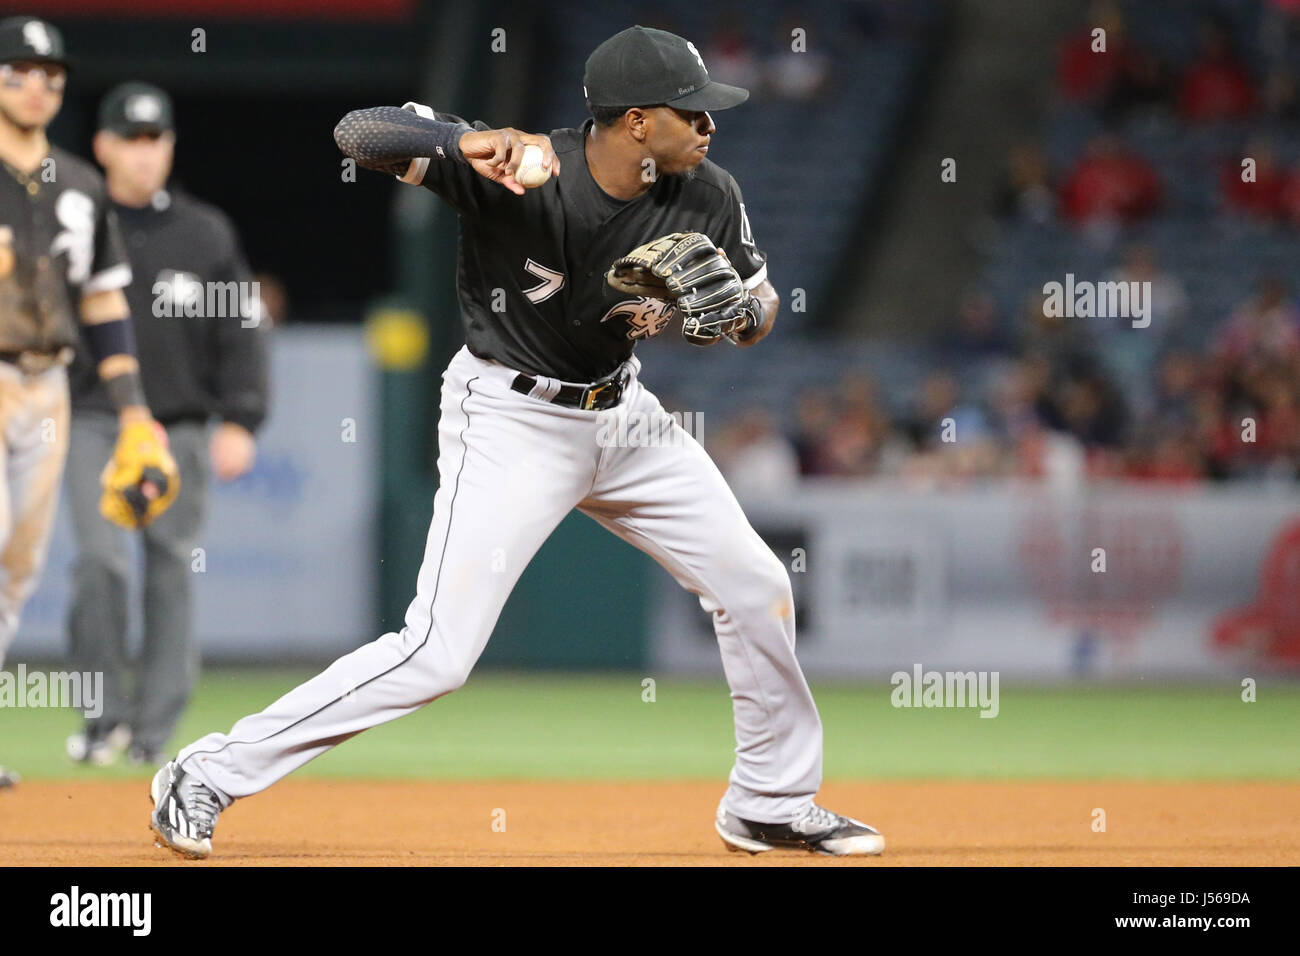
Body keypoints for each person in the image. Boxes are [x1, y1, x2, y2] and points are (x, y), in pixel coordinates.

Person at [148, 25, 885, 859]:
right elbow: (357, 131)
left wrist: (727, 320)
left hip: (625, 415)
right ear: (637, 122)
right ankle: (207, 771)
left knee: (755, 584)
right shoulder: (521, 170)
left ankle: (770, 799)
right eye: (693, 112)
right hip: (512, 418)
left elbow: (757, 313)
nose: (711, 125)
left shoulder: (708, 192)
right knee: (437, 654)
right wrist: (465, 142)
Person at [63, 82, 269, 768]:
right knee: (98, 561)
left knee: (170, 568)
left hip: (179, 425)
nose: (144, 153)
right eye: (131, 139)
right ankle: (102, 722)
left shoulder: (204, 232)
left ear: (170, 146)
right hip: (93, 419)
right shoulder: (80, 226)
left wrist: (242, 417)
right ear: (103, 146)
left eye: (155, 139)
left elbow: (243, 330)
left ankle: (150, 734)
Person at [0, 17, 177, 788]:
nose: (37, 83)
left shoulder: (76, 184)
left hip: (50, 387)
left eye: (50, 71)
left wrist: (134, 409)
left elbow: (105, 304)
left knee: (18, 568)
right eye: (19, 69)